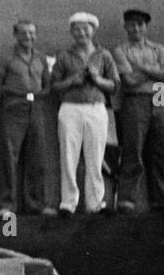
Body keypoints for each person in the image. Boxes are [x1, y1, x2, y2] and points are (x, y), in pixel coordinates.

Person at [51, 12, 119, 215]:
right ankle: (68, 203)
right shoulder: (64, 55)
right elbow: (55, 85)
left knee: (96, 156)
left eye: (85, 29)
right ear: (71, 32)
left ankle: (95, 203)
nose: (81, 33)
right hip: (70, 108)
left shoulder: (104, 55)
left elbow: (114, 85)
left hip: (96, 108)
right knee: (69, 156)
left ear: (93, 30)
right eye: (77, 29)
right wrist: (73, 80)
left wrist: (97, 79)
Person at [112, 9, 164, 212]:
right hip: (135, 100)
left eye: (140, 24)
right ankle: (127, 200)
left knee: (160, 151)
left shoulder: (158, 49)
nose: (136, 28)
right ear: (125, 27)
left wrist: (143, 68)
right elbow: (128, 81)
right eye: (132, 24)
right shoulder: (120, 50)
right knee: (133, 150)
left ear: (146, 27)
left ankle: (163, 199)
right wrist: (155, 71)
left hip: (159, 96)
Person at [0, 19, 52, 215]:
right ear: (15, 35)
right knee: (8, 157)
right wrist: (12, 98)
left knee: (37, 157)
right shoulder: (6, 58)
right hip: (13, 112)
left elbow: (47, 86)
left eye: (32, 33)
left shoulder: (40, 58)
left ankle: (36, 205)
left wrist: (35, 96)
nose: (28, 37)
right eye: (24, 33)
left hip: (36, 111)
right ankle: (6, 205)